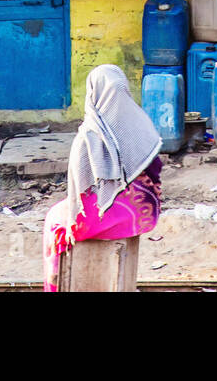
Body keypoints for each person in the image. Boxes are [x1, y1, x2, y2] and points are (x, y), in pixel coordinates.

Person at [43, 65, 163, 291]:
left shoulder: (90, 134)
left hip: (105, 218)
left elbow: (81, 189)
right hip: (144, 215)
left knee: (54, 219)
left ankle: (54, 285)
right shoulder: (144, 127)